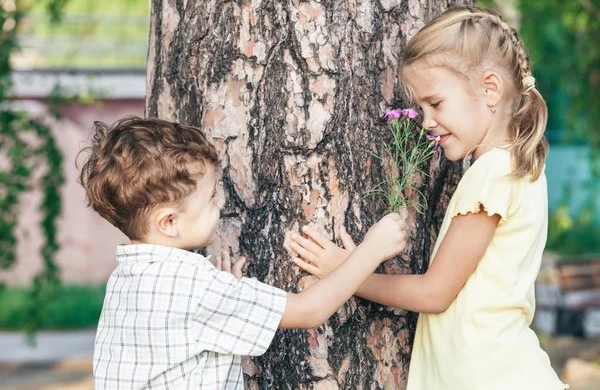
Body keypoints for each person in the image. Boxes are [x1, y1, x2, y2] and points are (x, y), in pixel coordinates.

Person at [290, 5, 568, 390]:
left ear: (490, 89)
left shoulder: (492, 173)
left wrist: (348, 270)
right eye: (421, 108)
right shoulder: (512, 169)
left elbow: (435, 292)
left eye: (435, 103)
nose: (427, 122)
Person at [78, 116, 407, 389]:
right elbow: (309, 310)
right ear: (168, 222)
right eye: (210, 197)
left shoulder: (125, 279)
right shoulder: (195, 286)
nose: (221, 201)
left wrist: (225, 292)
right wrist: (371, 250)